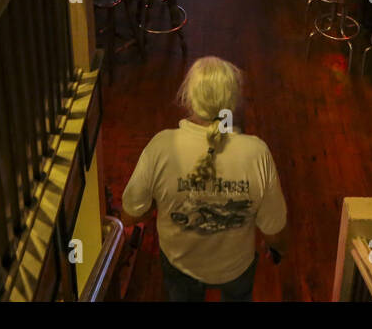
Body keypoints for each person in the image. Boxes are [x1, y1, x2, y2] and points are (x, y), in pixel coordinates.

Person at [121, 57, 288, 302]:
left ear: (188, 98)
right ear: (232, 102)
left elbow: (130, 215)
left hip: (179, 264)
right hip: (236, 268)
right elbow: (274, 231)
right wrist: (277, 250)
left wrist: (161, 203)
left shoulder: (160, 147)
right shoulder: (257, 153)